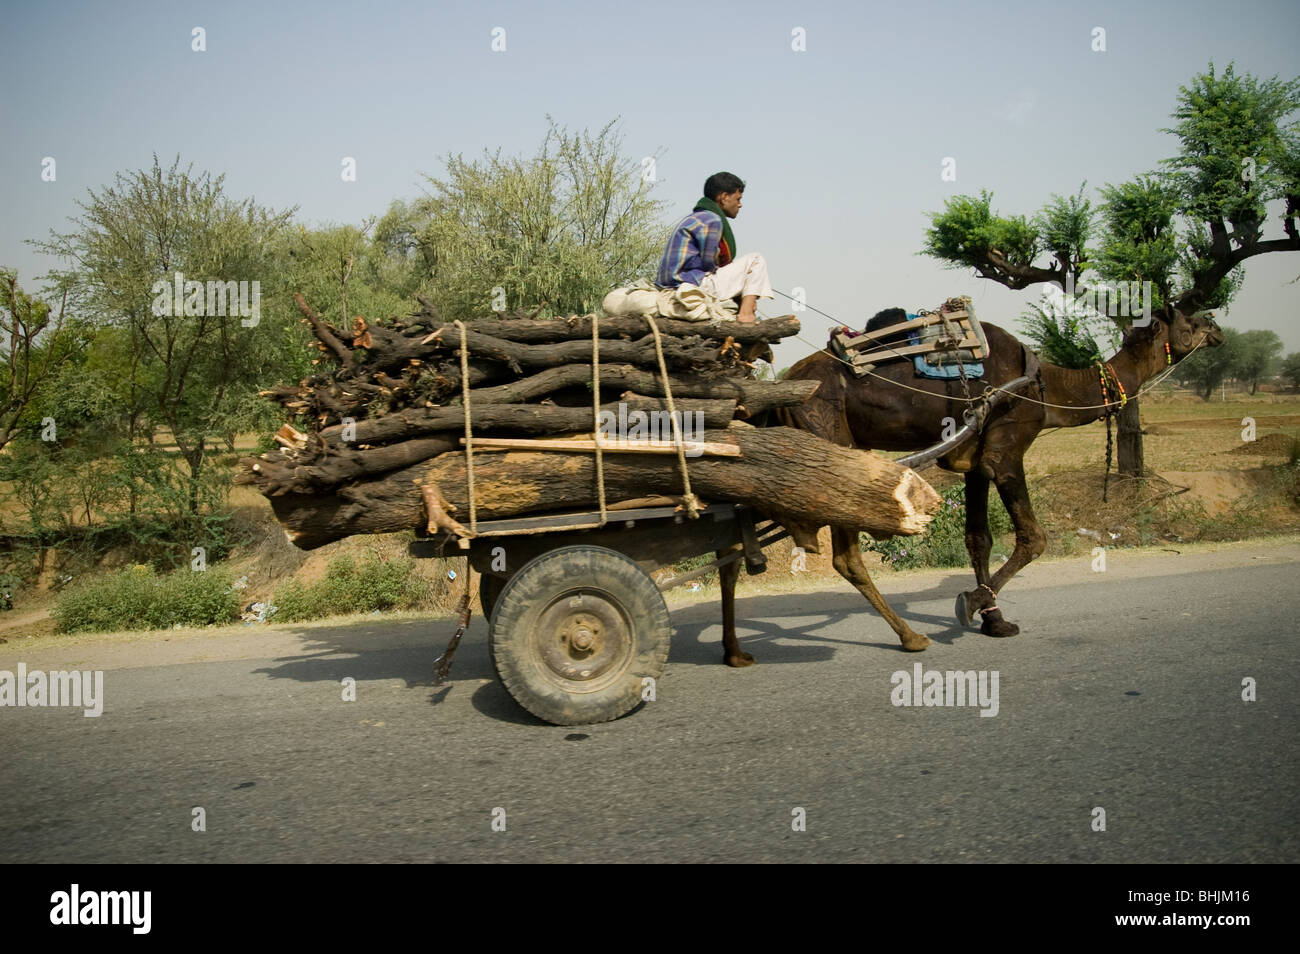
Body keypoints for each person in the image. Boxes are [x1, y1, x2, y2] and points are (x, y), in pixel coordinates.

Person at [656, 172, 773, 323]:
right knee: (756, 260)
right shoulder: (712, 219)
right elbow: (709, 264)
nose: (740, 204)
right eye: (738, 199)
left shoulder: (694, 217)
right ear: (724, 198)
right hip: (689, 284)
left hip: (671, 284)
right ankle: (746, 315)